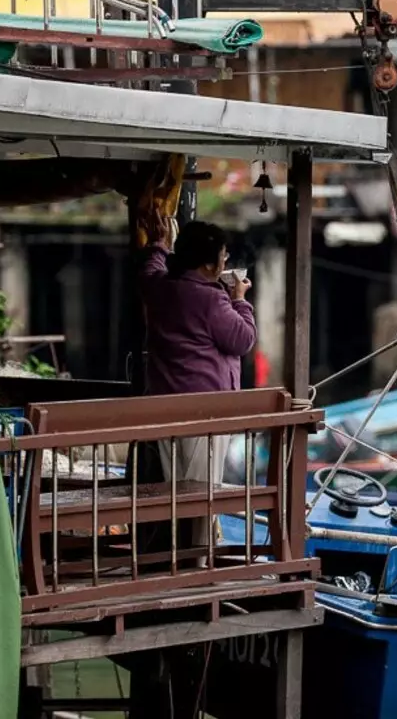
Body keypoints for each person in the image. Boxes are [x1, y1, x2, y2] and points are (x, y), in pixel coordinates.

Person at [139, 217, 255, 555]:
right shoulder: (210, 299)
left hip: (164, 408)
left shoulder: (159, 287)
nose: (225, 260)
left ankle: (174, 559)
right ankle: (198, 566)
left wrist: (159, 245)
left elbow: (150, 267)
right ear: (208, 264)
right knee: (203, 494)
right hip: (206, 412)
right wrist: (239, 298)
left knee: (175, 488)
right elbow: (243, 339)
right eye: (221, 255)